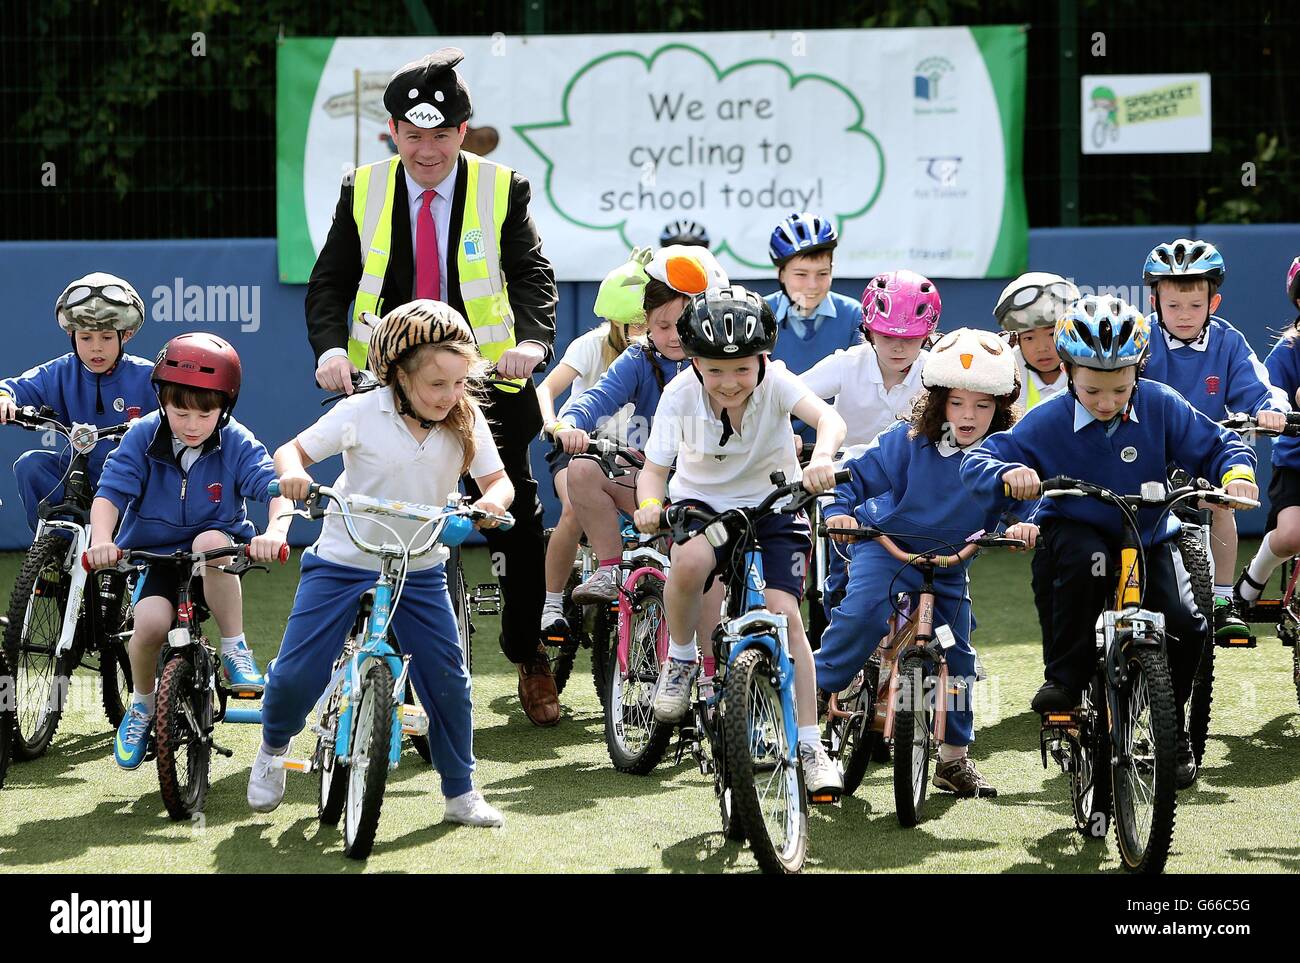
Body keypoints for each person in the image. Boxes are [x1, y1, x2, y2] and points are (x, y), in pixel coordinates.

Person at [304, 47, 560, 726]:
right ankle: (368, 653)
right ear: (392, 132)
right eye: (411, 136)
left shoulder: (501, 187)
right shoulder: (362, 187)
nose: (425, 150)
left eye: (440, 136)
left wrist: (532, 343)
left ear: (463, 130)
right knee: (374, 512)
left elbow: (531, 272)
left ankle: (527, 651)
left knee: (515, 512)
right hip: (384, 380)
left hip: (487, 386)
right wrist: (332, 350)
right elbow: (331, 279)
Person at [960, 295, 1256, 787]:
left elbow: (1219, 443)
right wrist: (1009, 472)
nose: (1105, 401)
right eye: (1093, 389)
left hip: (1148, 533)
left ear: (1138, 371)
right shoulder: (1049, 418)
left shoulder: (1160, 403)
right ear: (1070, 371)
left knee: (1188, 622)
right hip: (1078, 529)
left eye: (1120, 389)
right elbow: (981, 460)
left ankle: (1171, 728)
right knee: (1081, 562)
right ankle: (1066, 680)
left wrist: (1237, 473)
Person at [249, 301, 512, 827]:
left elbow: (497, 482)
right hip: (343, 558)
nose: (451, 395)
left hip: (418, 563)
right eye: (438, 384)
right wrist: (296, 475)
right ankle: (273, 749)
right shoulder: (361, 411)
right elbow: (290, 453)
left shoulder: (466, 418)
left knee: (448, 680)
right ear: (396, 374)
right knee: (298, 672)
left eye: (460, 382)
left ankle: (460, 792)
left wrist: (491, 505)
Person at [632, 286, 848, 794]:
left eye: (741, 369)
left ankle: (812, 743)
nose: (729, 383)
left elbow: (829, 419)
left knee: (787, 614)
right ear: (693, 362)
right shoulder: (679, 394)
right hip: (704, 505)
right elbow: (654, 471)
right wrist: (648, 506)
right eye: (714, 370)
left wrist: (821, 460)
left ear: (763, 359)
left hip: (776, 504)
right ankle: (682, 658)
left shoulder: (778, 383)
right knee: (687, 564)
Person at [815, 328, 1033, 797]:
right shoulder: (907, 442)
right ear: (938, 403)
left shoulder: (1004, 458)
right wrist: (837, 512)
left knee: (958, 656)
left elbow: (1027, 502)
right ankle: (817, 689)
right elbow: (852, 477)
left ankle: (953, 759)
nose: (968, 415)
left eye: (982, 405)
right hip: (886, 545)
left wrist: (1026, 525)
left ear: (1000, 408)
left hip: (950, 564)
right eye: (957, 403)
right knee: (865, 611)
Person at [86, 334, 292, 770]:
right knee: (149, 625)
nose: (192, 423)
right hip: (157, 557)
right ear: (161, 401)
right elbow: (110, 492)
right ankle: (142, 703)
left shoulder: (235, 440)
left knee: (210, 542)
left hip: (214, 560)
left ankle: (235, 647)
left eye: (206, 412)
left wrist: (275, 529)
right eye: (180, 411)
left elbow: (275, 488)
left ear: (225, 408)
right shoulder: (142, 436)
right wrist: (102, 539)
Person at [554, 245, 727, 607]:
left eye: (683, 325)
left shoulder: (721, 361)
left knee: (706, 580)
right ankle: (609, 568)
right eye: (662, 326)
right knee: (583, 469)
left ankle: (705, 659)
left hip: (708, 491)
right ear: (645, 320)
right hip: (649, 482)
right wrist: (569, 423)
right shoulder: (639, 357)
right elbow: (597, 398)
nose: (674, 336)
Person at [1139, 238, 1288, 640]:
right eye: (1172, 306)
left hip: (1209, 452)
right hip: (1150, 450)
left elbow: (1262, 388)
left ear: (1213, 304)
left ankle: (1223, 598)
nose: (1183, 315)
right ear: (1155, 303)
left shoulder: (1228, 341)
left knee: (1224, 503)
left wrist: (1272, 408)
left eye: (1194, 305)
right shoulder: (1140, 339)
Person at [534, 249, 650, 637]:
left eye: (647, 322)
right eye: (632, 323)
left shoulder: (664, 355)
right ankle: (551, 606)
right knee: (572, 510)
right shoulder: (591, 345)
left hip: (637, 454)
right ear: (613, 319)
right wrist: (555, 424)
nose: (640, 330)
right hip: (579, 448)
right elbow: (546, 388)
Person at [0, 274, 156, 533]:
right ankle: (57, 547)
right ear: (71, 335)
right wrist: (4, 399)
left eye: (106, 338)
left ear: (125, 335)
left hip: (132, 478)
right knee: (30, 464)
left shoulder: (148, 377)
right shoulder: (59, 373)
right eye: (86, 338)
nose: (96, 348)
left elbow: (181, 409)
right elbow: (10, 388)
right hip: (79, 475)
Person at [1237, 256, 1300, 610]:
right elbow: (1270, 395)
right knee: (1291, 535)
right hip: (1296, 464)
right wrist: (1283, 409)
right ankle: (1255, 577)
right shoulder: (1290, 350)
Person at [764, 212, 863, 381]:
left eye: (822, 273)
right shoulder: (759, 315)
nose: (813, 285)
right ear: (781, 274)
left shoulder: (854, 316)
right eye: (801, 274)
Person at [993, 271, 1079, 410]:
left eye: (1052, 334)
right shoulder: (1004, 373)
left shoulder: (1088, 369)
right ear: (1017, 340)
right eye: (1029, 338)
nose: (1042, 348)